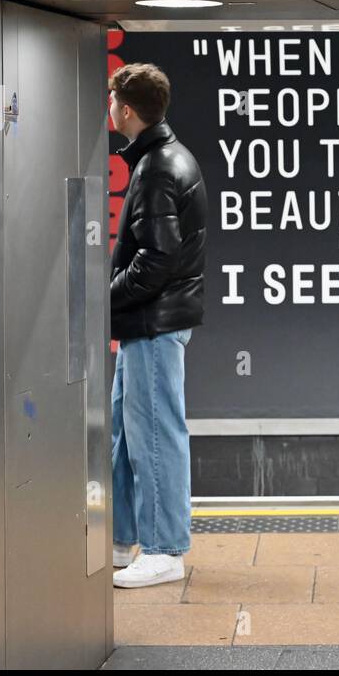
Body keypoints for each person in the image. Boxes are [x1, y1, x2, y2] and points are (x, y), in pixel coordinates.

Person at [107, 62, 207, 588]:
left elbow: (156, 262)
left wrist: (105, 299)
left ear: (126, 109)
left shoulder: (159, 168)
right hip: (144, 322)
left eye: (112, 101)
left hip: (153, 322)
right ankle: (124, 539)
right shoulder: (161, 160)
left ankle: (165, 549)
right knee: (127, 434)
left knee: (153, 433)